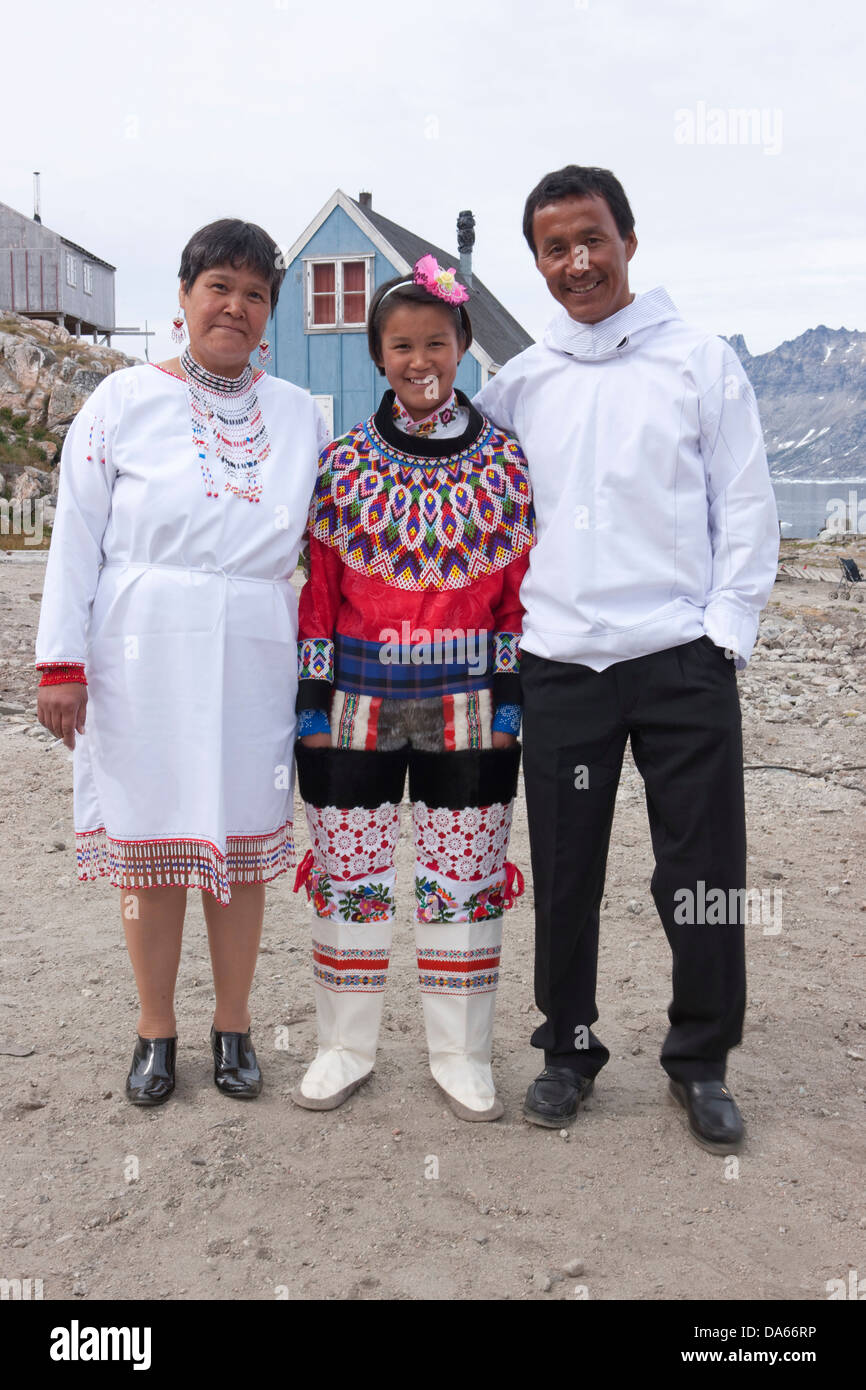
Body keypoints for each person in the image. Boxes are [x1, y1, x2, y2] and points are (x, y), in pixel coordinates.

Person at [474, 166, 780, 1152]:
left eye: (591, 238)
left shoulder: (696, 361)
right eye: (555, 248)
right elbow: (480, 515)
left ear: (628, 241)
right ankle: (566, 1048)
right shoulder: (518, 386)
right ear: (535, 264)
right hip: (560, 663)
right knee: (565, 867)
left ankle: (698, 1059)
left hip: (680, 657)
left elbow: (742, 500)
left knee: (700, 870)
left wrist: (725, 630)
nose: (577, 262)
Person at [35, 219, 329, 1106]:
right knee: (152, 850)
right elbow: (75, 535)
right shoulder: (121, 403)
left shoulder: (295, 413)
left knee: (240, 847)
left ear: (268, 313)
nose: (233, 307)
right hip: (142, 651)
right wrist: (62, 662)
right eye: (218, 288)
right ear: (184, 296)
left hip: (255, 649)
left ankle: (233, 1025)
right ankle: (156, 1029)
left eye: (253, 293)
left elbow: (331, 540)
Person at [291, 254, 535, 1120]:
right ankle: (344, 1045)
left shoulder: (505, 465)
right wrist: (310, 709)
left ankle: (462, 1055)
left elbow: (515, 600)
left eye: (436, 341)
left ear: (465, 345)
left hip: (468, 706)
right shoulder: (344, 464)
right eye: (401, 345)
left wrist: (509, 707)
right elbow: (319, 593)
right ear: (378, 356)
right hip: (354, 702)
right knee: (350, 876)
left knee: (462, 881)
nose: (419, 359)